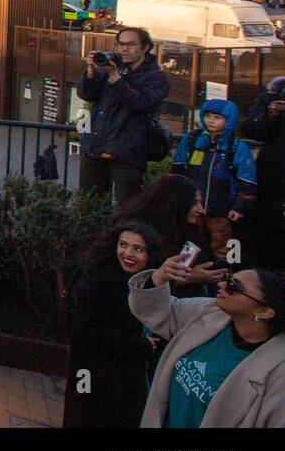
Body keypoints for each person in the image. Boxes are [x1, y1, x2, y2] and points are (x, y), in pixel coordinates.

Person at [129, 257, 285, 427]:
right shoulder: (209, 311)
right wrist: (158, 278)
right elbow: (156, 312)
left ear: (264, 312)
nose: (222, 285)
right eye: (227, 279)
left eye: (233, 287)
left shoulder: (278, 374)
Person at [63, 221, 165, 428]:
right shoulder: (98, 282)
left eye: (138, 249)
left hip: (122, 378)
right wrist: (141, 346)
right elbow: (87, 332)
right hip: (95, 374)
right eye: (123, 245)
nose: (128, 253)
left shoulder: (149, 284)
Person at [76, 27, 171, 206]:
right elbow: (86, 94)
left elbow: (140, 104)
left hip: (128, 151)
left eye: (131, 44)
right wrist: (91, 72)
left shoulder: (156, 77)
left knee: (128, 206)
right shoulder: (109, 67)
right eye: (120, 44)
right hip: (95, 147)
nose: (124, 49)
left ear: (145, 47)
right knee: (89, 205)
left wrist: (115, 76)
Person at [173, 100, 257, 260]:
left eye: (217, 117)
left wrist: (239, 207)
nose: (211, 120)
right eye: (208, 115)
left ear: (229, 120)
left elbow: (248, 182)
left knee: (227, 249)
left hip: (222, 211)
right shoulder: (191, 140)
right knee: (190, 246)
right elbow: (177, 172)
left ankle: (227, 279)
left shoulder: (236, 147)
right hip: (192, 209)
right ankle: (193, 280)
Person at [236, 82, 285, 271]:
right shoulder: (271, 96)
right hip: (272, 179)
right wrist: (270, 114)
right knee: (269, 237)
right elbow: (250, 129)